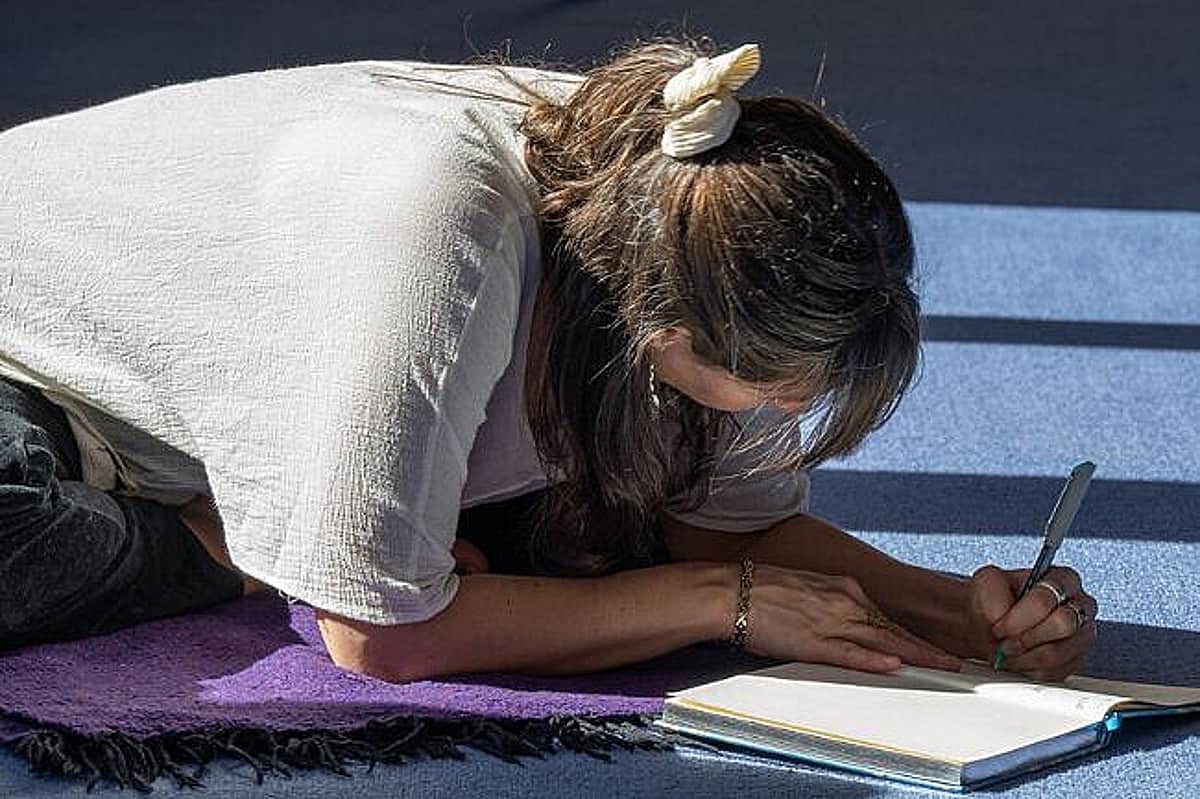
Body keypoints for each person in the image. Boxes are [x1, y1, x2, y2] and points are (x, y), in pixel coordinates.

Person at [0, 37, 1097, 683]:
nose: (792, 404)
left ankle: (281, 512)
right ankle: (239, 533)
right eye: (774, 383)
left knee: (577, 536)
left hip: (209, 396)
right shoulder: (442, 239)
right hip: (39, 363)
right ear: (654, 324)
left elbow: (732, 518)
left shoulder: (713, 224)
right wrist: (719, 599)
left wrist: (954, 610)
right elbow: (377, 633)